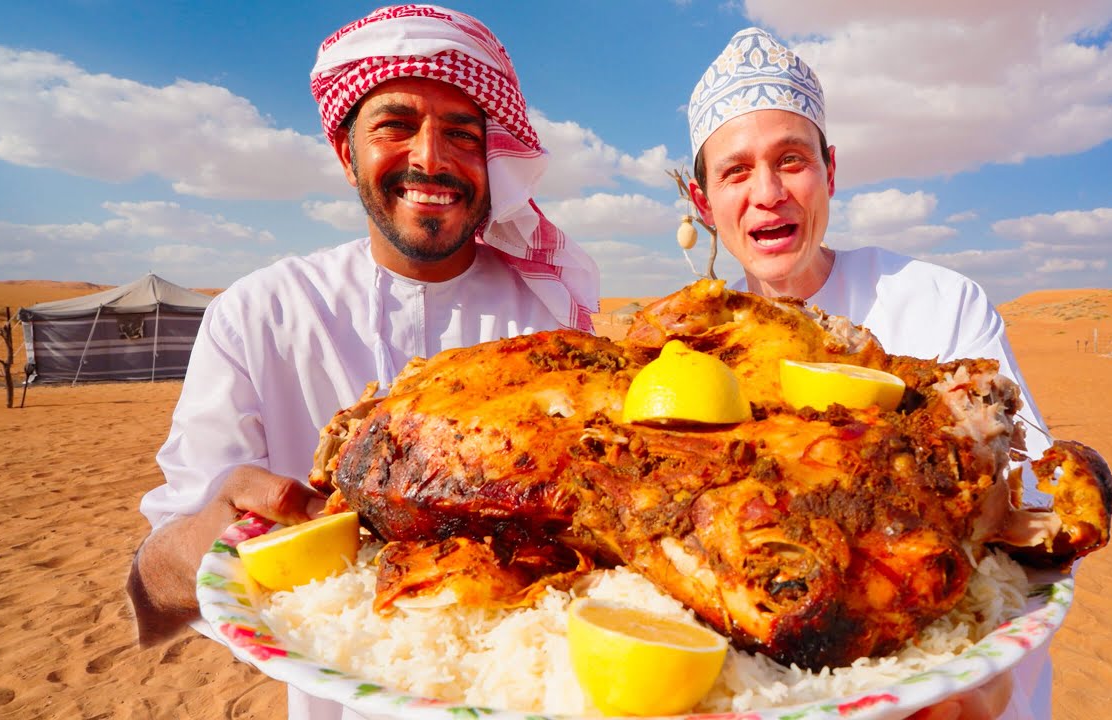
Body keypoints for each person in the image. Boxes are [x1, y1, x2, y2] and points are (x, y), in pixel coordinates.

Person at [125, 5, 598, 719]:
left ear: (493, 161)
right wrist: (213, 528)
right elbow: (152, 600)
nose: (431, 159)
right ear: (346, 153)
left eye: (463, 134)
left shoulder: (556, 326)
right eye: (395, 125)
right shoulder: (259, 316)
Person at [684, 28, 1056, 720]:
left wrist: (976, 687)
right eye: (735, 171)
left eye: (790, 160)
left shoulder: (939, 304)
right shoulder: (689, 353)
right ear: (703, 202)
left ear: (829, 170)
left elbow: (1026, 514)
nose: (767, 193)